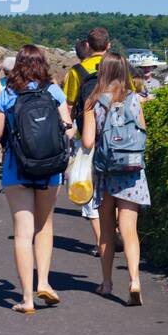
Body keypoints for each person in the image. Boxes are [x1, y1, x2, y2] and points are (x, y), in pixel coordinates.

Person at [0, 45, 74, 314]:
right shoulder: (54, 91)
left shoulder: (7, 94)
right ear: (43, 64)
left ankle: (26, 298)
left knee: (23, 233)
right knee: (44, 226)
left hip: (16, 169)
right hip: (50, 169)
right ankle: (44, 282)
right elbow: (69, 132)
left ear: (18, 65)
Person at [81, 51, 150, 306]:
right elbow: (143, 134)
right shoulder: (135, 99)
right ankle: (134, 281)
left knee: (107, 231)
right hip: (132, 173)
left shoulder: (93, 101)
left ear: (103, 72)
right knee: (130, 230)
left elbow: (88, 141)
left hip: (107, 173)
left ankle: (107, 283)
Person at [64, 28, 111, 249]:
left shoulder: (77, 71)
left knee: (89, 189)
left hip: (88, 139)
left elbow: (69, 106)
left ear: (88, 47)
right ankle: (116, 231)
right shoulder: (121, 68)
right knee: (116, 188)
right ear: (108, 46)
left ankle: (102, 242)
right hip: (119, 139)